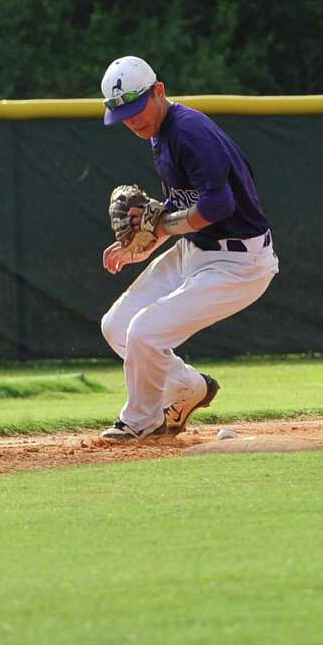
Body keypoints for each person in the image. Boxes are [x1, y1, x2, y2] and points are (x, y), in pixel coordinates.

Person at [96, 55, 278, 441]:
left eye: (136, 108)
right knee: (117, 327)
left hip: (238, 262)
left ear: (158, 91)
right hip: (197, 250)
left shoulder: (189, 132)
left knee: (145, 331)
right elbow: (180, 208)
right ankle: (188, 388)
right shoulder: (159, 133)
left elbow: (218, 205)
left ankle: (142, 420)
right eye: (124, 116)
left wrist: (162, 225)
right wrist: (145, 244)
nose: (133, 121)